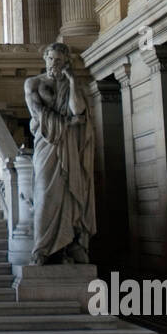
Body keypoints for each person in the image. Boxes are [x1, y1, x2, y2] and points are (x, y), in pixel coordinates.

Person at [24, 42, 96, 265]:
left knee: (70, 191)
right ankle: (42, 248)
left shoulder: (71, 84)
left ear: (66, 62)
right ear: (44, 59)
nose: (53, 63)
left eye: (58, 59)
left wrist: (73, 81)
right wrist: (68, 123)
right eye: (50, 58)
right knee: (45, 192)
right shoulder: (33, 83)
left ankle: (69, 243)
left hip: (69, 145)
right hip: (47, 143)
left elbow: (78, 110)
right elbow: (37, 113)